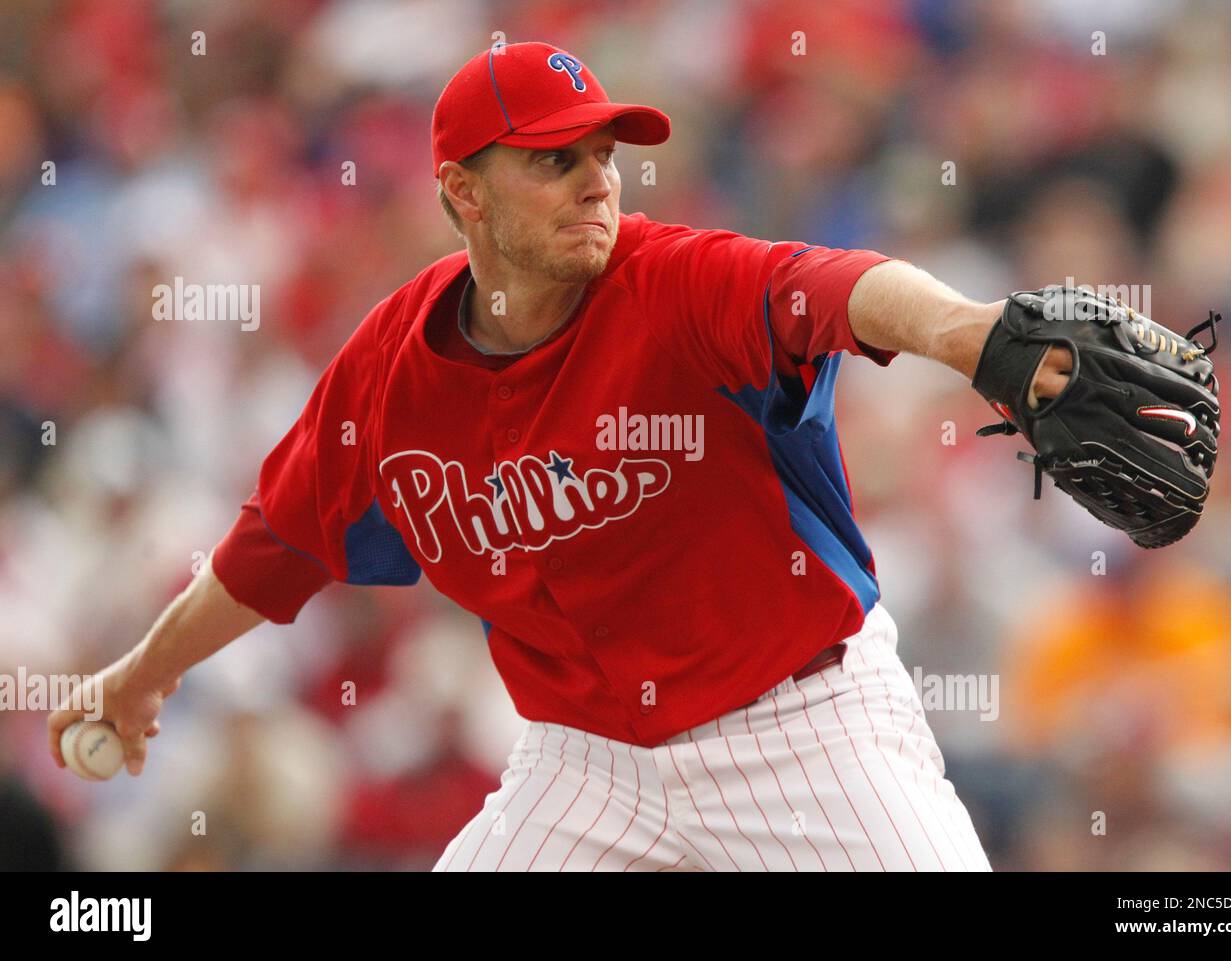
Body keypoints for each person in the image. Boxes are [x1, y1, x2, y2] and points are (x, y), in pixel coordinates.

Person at [49, 41, 1072, 871]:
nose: (595, 184)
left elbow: (842, 287)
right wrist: (145, 674)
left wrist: (969, 333)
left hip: (798, 723)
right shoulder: (388, 370)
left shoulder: (672, 283)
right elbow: (274, 544)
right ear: (464, 192)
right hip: (584, 764)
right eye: (554, 161)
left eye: (603, 157)